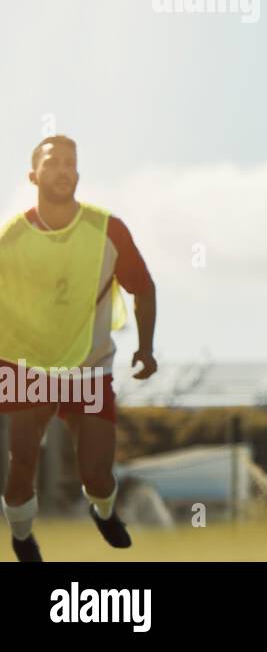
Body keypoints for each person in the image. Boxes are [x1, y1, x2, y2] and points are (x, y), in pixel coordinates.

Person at [0, 135, 157, 562]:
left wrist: (146, 349)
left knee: (98, 473)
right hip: (27, 367)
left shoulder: (108, 230)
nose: (64, 169)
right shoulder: (12, 238)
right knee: (21, 465)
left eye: (71, 162)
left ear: (79, 173)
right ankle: (21, 535)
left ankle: (104, 511)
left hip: (88, 369)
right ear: (33, 175)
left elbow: (143, 289)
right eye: (52, 163)